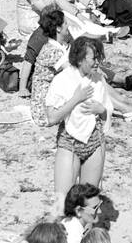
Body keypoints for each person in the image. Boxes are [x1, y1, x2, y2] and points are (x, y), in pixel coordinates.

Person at [45, 37, 110, 217]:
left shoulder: (98, 80)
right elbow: (51, 118)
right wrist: (76, 99)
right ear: (80, 59)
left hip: (94, 141)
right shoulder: (62, 80)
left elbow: (105, 117)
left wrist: (102, 110)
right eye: (93, 58)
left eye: (99, 58)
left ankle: (84, 241)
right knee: (61, 202)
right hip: (69, 142)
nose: (97, 62)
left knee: (89, 203)